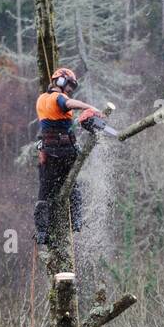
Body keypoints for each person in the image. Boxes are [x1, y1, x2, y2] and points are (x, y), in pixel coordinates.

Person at [34, 67, 102, 246]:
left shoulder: (41, 99)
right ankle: (76, 219)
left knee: (45, 192)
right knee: (72, 186)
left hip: (48, 154)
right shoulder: (59, 98)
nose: (70, 90)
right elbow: (69, 104)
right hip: (64, 153)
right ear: (61, 81)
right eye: (69, 85)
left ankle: (42, 231)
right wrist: (91, 108)